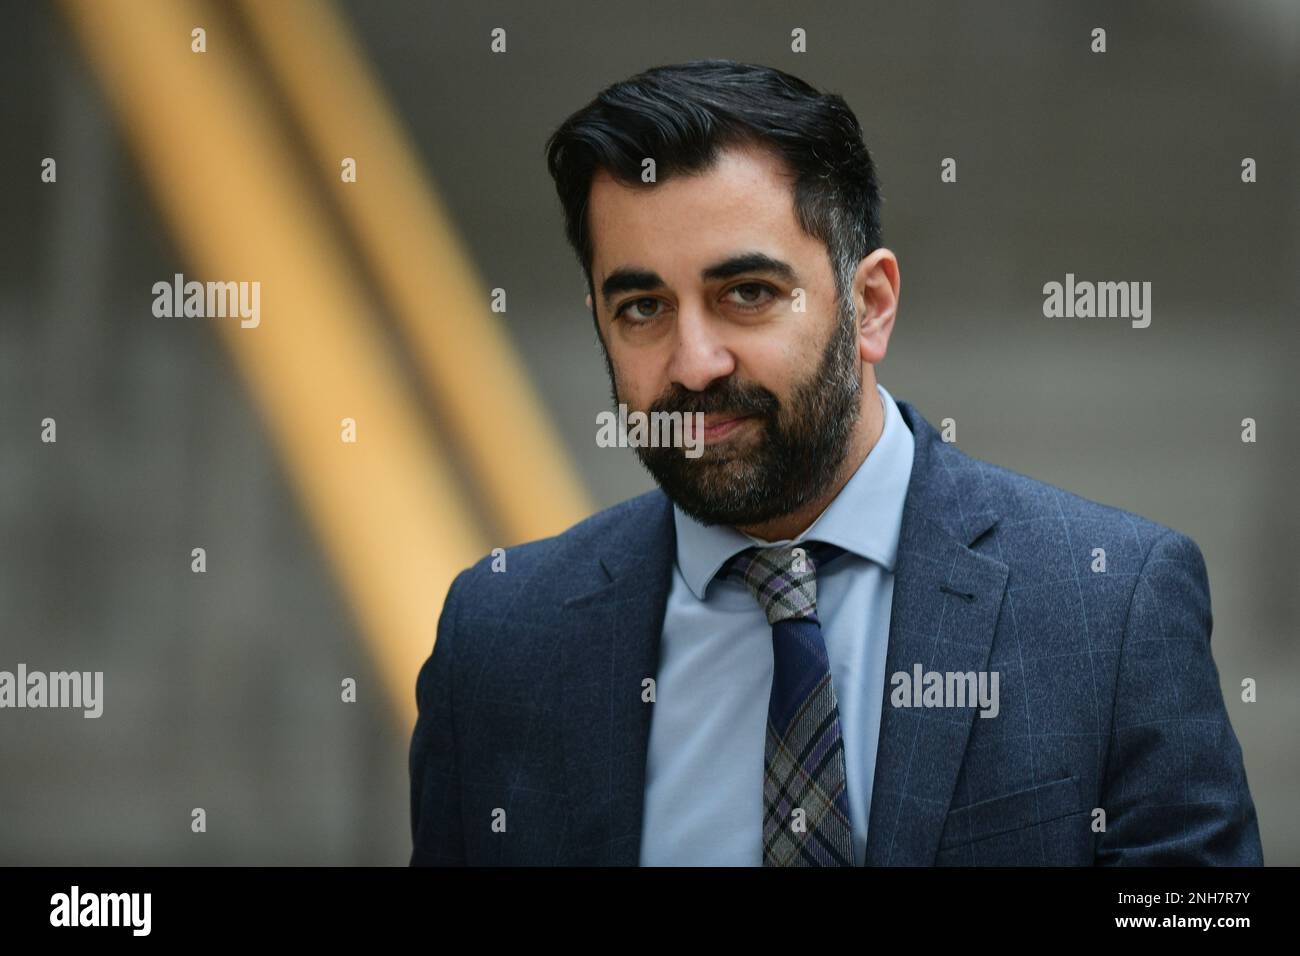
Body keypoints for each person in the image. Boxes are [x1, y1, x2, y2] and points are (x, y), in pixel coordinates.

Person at [409, 59, 1263, 866]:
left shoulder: (1108, 606)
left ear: (871, 306)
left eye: (747, 294)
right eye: (642, 307)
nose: (694, 363)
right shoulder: (501, 640)